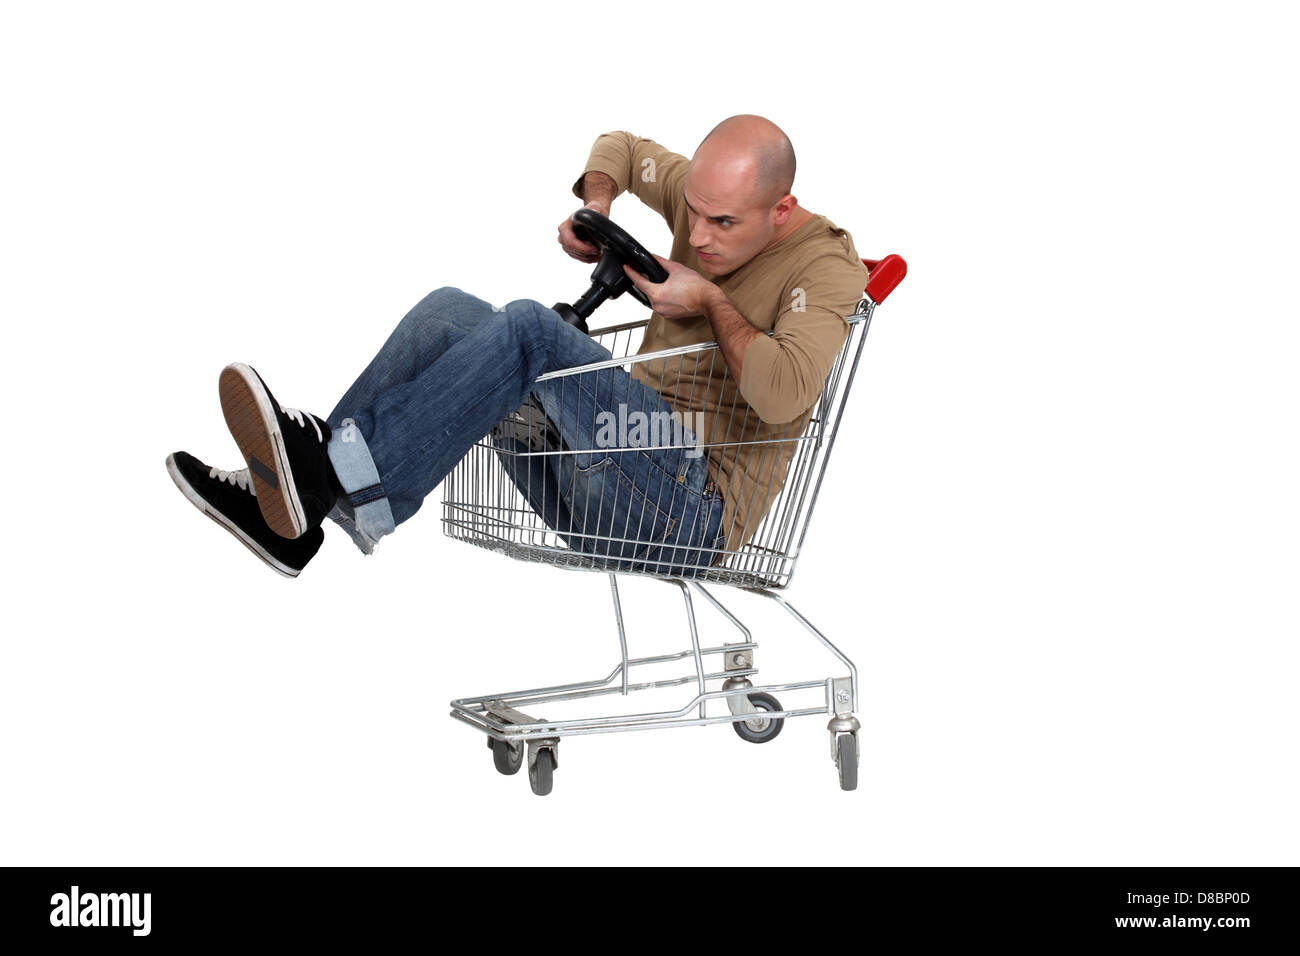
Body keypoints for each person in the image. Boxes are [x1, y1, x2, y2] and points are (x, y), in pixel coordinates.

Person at [165, 114, 870, 577]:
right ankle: (306, 502)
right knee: (447, 314)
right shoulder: (704, 196)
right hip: (609, 458)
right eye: (693, 213)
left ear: (781, 210)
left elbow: (785, 394)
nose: (701, 236)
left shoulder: (825, 264)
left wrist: (711, 300)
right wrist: (597, 206)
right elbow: (620, 148)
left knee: (534, 328)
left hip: (685, 509)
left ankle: (328, 478)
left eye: (723, 222)